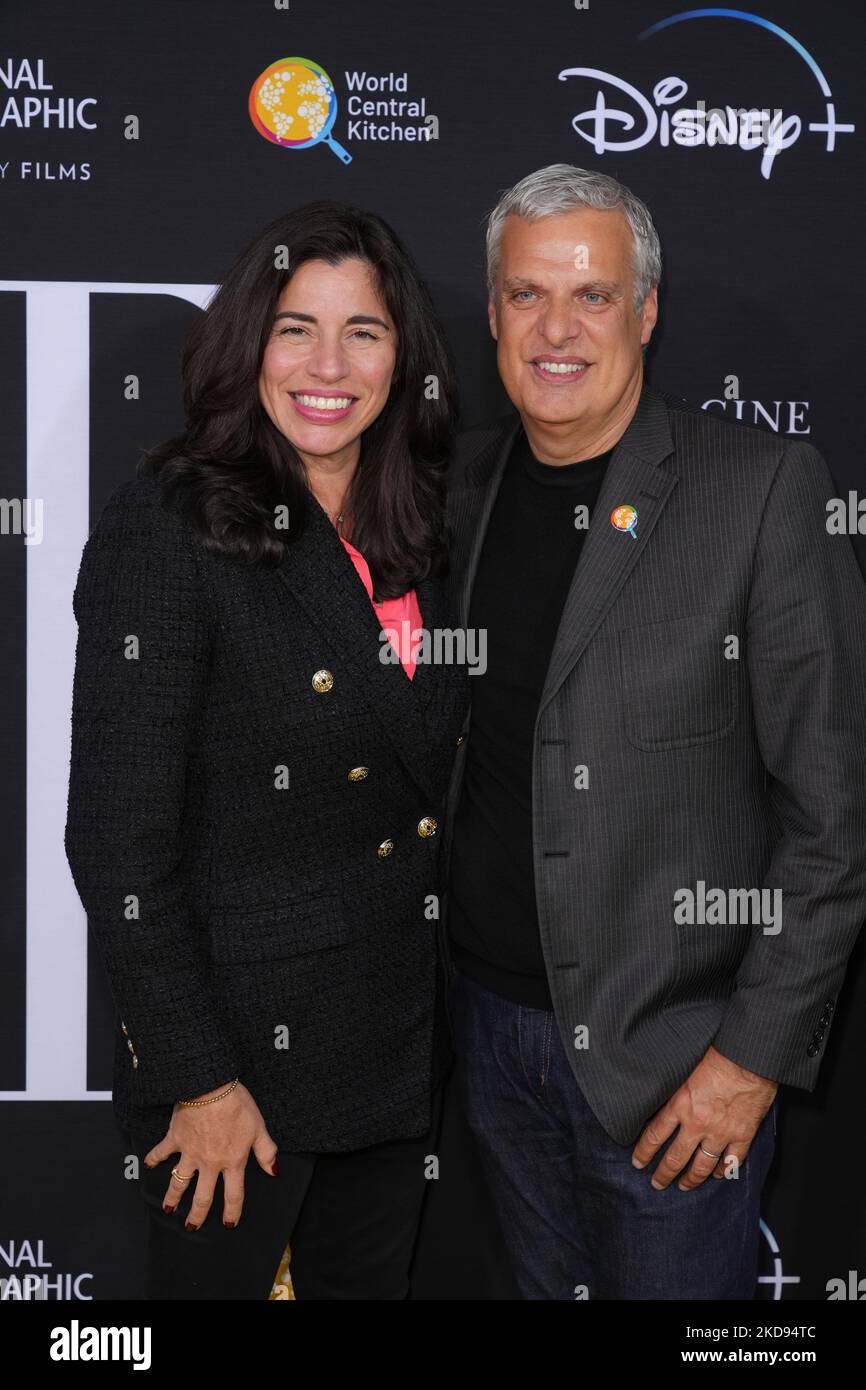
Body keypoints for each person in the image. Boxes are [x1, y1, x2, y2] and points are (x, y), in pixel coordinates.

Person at [441, 163, 866, 1300]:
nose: (555, 328)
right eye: (527, 294)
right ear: (490, 314)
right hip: (486, 1041)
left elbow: (832, 815)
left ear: (645, 309)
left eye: (591, 294)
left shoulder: (759, 490)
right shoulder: (458, 487)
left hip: (675, 1068)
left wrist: (748, 1061)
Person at [64, 200, 469, 1300]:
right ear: (248, 343)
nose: (327, 364)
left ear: (402, 355)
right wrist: (197, 1079)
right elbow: (114, 840)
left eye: (363, 332)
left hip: (398, 1056)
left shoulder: (421, 523)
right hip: (238, 1080)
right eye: (295, 327)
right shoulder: (169, 523)